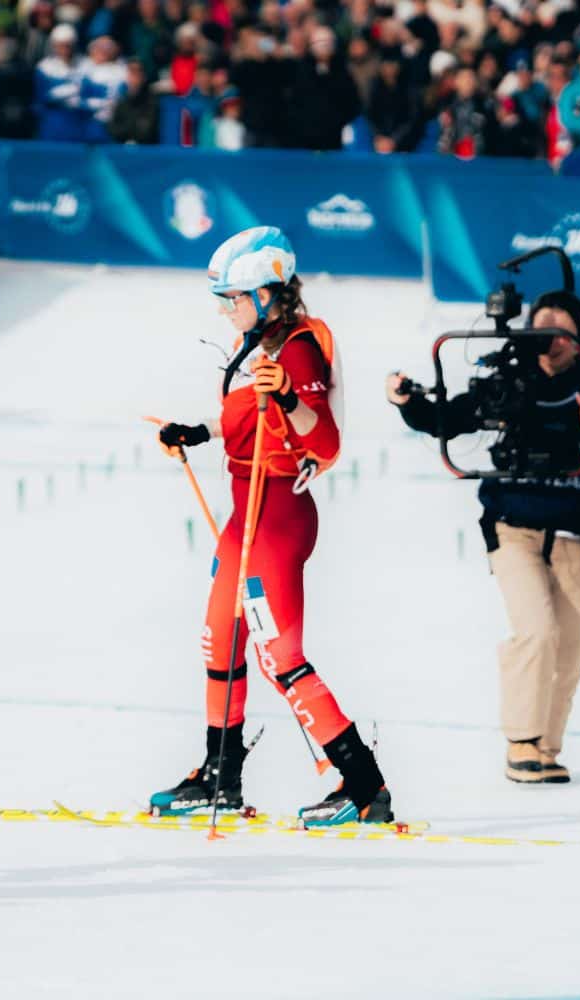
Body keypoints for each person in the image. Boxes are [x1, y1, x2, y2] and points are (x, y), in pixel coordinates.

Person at [149, 227, 395, 827]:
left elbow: (323, 437)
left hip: (278, 515)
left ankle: (364, 788)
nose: (224, 308)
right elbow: (243, 411)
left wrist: (288, 396)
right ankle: (219, 777)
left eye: (232, 297)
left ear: (265, 294)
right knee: (220, 638)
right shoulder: (258, 342)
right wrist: (199, 432)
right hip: (246, 511)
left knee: (280, 657)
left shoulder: (297, 350)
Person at [386, 287, 580, 783]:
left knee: (569, 647)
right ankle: (520, 740)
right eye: (541, 328)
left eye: (560, 329)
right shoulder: (507, 383)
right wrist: (408, 402)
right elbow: (446, 420)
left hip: (576, 532)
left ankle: (544, 746)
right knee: (536, 630)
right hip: (513, 527)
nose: (550, 339)